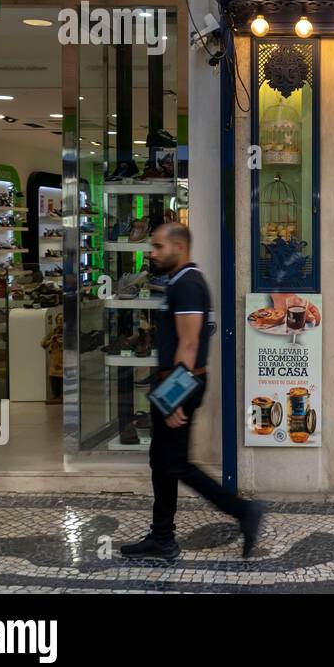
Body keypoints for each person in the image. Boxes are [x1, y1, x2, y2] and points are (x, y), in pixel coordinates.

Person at [121, 222, 265, 561]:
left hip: (180, 383)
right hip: (173, 381)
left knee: (177, 463)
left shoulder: (187, 285)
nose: (152, 252)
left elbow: (189, 343)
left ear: (179, 248)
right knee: (162, 461)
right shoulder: (178, 282)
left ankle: (243, 511)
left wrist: (173, 399)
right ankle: (161, 536)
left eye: (158, 247)